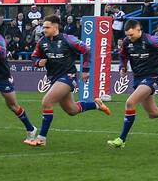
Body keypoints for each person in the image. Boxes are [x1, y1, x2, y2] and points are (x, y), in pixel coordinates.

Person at [24, 15, 111, 147]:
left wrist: (86, 70)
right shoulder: (42, 41)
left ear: (55, 27)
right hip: (54, 78)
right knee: (72, 110)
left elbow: (86, 50)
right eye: (43, 27)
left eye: (47, 27)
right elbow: (34, 56)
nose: (44, 30)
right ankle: (96, 105)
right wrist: (38, 62)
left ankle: (41, 138)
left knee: (46, 102)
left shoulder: (68, 39)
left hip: (68, 77)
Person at [106, 19, 158, 148]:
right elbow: (123, 55)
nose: (129, 38)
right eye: (127, 35)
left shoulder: (151, 40)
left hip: (151, 77)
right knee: (153, 113)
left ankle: (121, 139)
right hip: (137, 78)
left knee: (130, 103)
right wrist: (122, 67)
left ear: (138, 29)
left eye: (132, 35)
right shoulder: (126, 42)